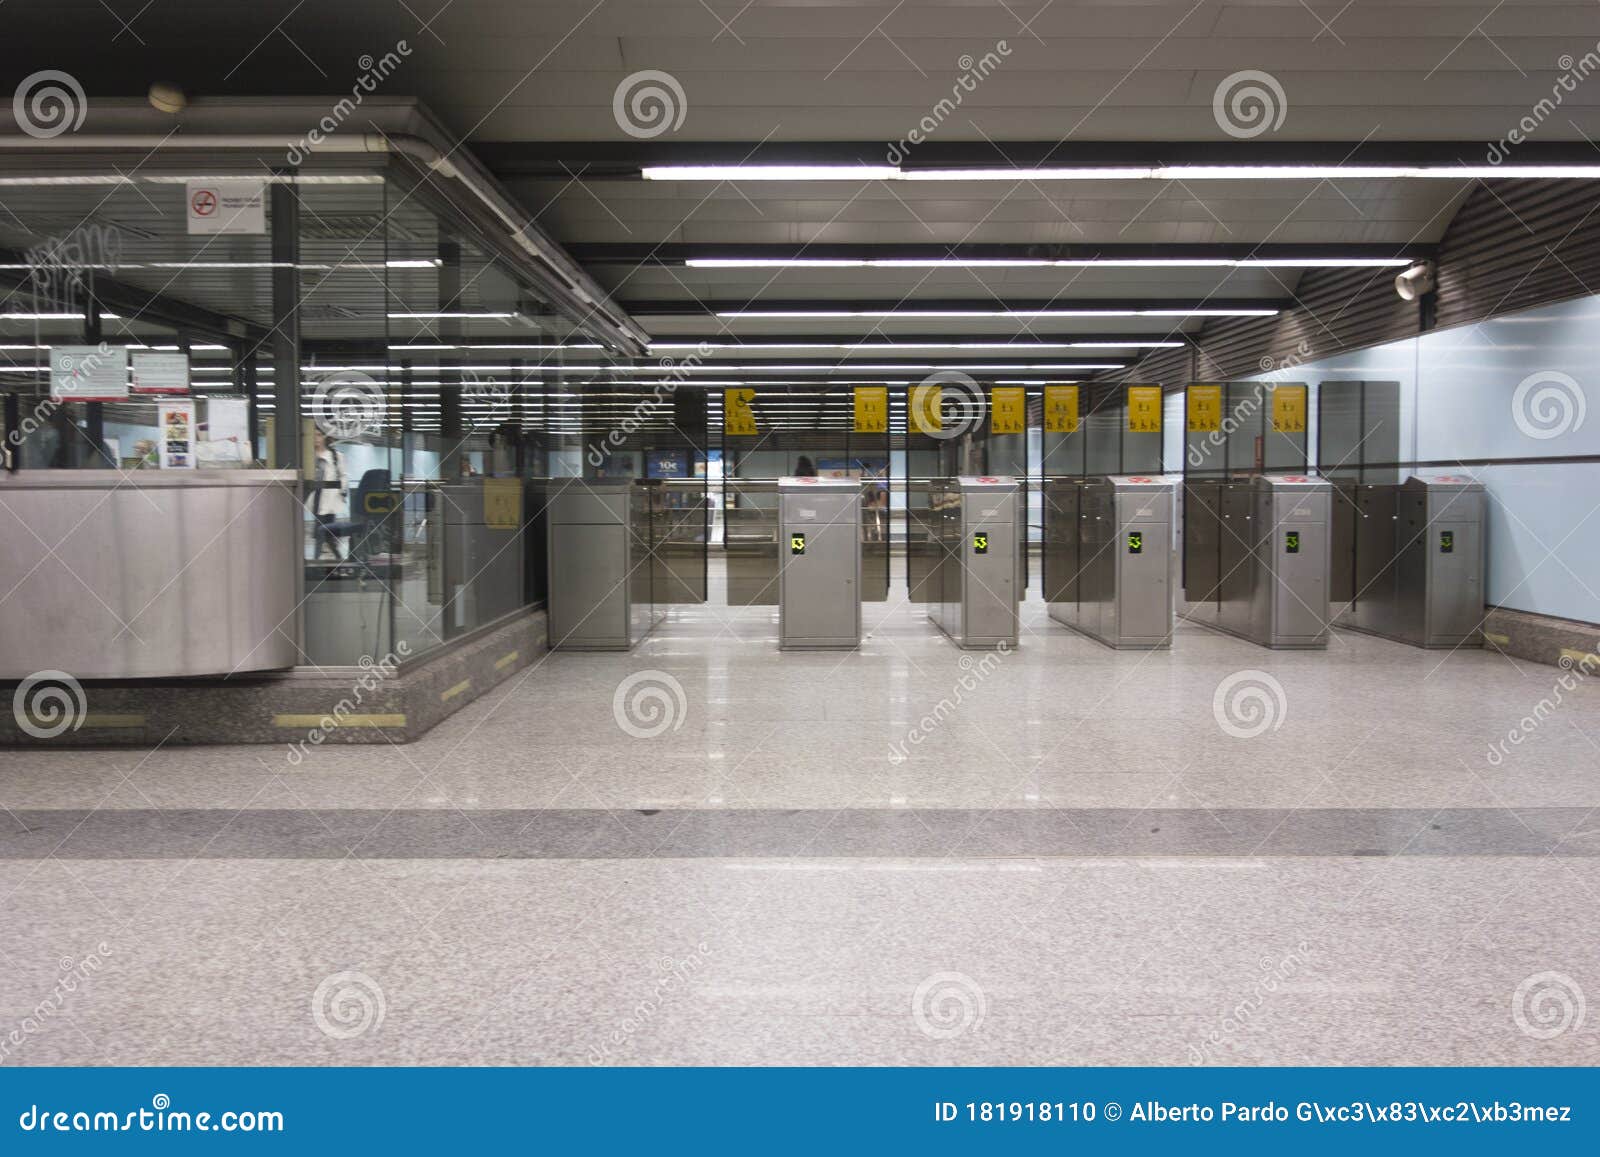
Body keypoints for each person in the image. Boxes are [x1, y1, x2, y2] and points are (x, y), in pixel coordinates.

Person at [306, 430, 348, 560]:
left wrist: (341, 491)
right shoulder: (308, 456)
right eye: (313, 435)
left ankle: (317, 560)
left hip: (331, 501)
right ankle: (338, 559)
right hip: (316, 499)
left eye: (319, 435)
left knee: (323, 532)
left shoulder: (335, 456)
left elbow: (343, 476)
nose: (316, 438)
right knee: (325, 533)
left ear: (325, 437)